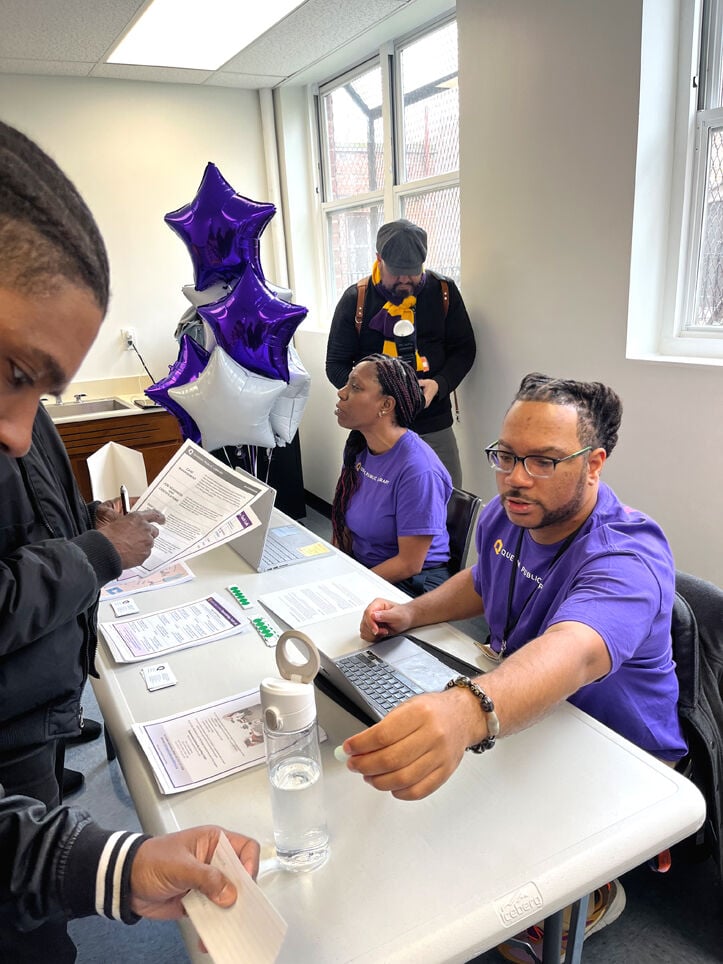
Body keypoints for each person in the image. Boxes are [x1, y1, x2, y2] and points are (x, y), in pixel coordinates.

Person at [0, 119, 260, 961]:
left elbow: (39, 520)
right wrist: (100, 554)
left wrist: (94, 531)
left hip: (28, 720)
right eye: (13, 371)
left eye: (43, 389)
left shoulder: (22, 425)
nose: (18, 426)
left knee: (37, 933)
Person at [339, 372, 687, 957]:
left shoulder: (629, 557)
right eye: (506, 456)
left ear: (594, 463)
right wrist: (411, 613)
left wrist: (467, 710)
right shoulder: (510, 515)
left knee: (472, 873)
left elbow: (573, 652)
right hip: (531, 712)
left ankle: (593, 893)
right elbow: (484, 578)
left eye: (544, 461)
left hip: (613, 749)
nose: (516, 479)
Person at [325, 218, 476, 488]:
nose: (405, 280)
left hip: (433, 422)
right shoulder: (356, 299)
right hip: (374, 428)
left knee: (448, 502)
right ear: (379, 259)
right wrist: (374, 398)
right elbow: (335, 364)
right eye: (396, 272)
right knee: (372, 506)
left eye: (413, 272)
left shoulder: (444, 292)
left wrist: (438, 385)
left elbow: (464, 350)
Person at [332, 353, 452, 596]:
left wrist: (347, 587)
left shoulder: (418, 470)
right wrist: (333, 569)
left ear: (386, 405)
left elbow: (409, 564)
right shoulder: (360, 448)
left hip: (410, 584)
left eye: (355, 387)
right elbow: (343, 526)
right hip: (366, 570)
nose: (341, 393)